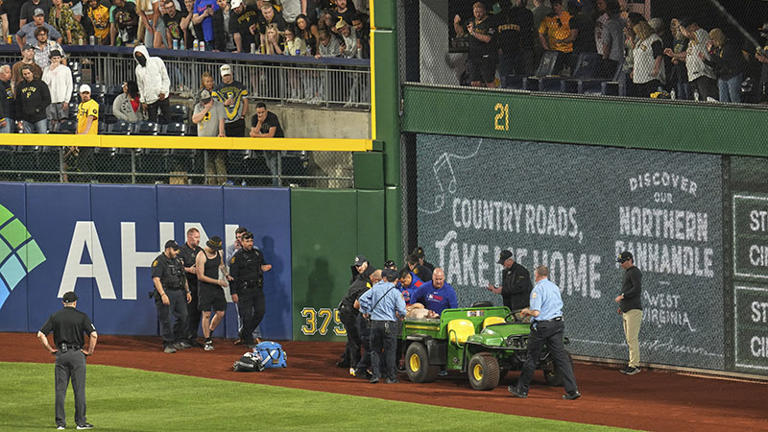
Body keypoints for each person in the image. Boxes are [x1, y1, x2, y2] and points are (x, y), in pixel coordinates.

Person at [508, 265, 580, 400]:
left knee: (531, 358)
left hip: (542, 327)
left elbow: (536, 312)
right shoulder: (554, 287)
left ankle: (521, 389)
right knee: (561, 358)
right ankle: (572, 390)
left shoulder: (538, 289)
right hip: (558, 324)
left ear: (537, 275)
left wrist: (526, 311)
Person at [37, 291, 97, 430]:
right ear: (75, 302)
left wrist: (50, 349)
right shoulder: (82, 316)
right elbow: (94, 335)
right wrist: (90, 351)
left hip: (61, 355)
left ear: (63, 302)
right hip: (77, 355)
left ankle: (60, 423)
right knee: (79, 390)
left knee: (60, 390)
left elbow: (40, 334)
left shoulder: (55, 316)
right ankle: (81, 423)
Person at [358, 268, 406, 384]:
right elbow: (401, 310)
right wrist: (401, 315)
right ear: (395, 280)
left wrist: (366, 310)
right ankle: (391, 377)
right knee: (390, 351)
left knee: (375, 350)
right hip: (389, 323)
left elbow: (362, 299)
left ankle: (375, 376)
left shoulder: (375, 288)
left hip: (375, 323)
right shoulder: (395, 292)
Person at [229, 231, 272, 347]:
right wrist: (233, 293)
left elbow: (262, 265)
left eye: (251, 241)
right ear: (242, 242)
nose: (250, 243)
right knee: (246, 316)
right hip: (244, 290)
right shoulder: (237, 257)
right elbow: (232, 277)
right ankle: (248, 340)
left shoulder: (257, 253)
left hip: (257, 289)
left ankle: (244, 333)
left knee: (260, 312)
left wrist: (265, 267)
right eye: (247, 241)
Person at [151, 240, 192, 353]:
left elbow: (183, 277)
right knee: (166, 319)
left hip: (178, 292)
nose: (176, 252)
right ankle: (168, 343)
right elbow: (156, 279)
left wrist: (187, 291)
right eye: (174, 250)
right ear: (168, 249)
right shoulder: (159, 261)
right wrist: (163, 294)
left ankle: (177, 340)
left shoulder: (177, 260)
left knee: (184, 316)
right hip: (166, 291)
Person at [664, 17, 717, 101]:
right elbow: (687, 55)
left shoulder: (701, 32)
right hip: (693, 74)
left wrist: (679, 26)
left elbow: (687, 34)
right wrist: (674, 55)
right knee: (697, 100)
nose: (688, 29)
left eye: (688, 27)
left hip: (703, 73)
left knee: (707, 100)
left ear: (693, 25)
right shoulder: (691, 41)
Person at [337, 255, 373, 373]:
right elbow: (356, 305)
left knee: (352, 337)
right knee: (355, 339)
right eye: (357, 266)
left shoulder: (365, 277)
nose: (358, 268)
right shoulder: (364, 282)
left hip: (348, 310)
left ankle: (347, 361)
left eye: (360, 265)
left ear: (366, 263)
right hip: (348, 311)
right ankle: (354, 366)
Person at [195, 235, 230, 351]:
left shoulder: (219, 252)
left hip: (216, 287)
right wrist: (218, 282)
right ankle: (207, 340)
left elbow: (221, 265)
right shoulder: (201, 255)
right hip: (205, 288)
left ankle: (209, 332)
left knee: (220, 312)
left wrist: (226, 274)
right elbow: (200, 276)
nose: (215, 250)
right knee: (206, 314)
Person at [453, 1, 496, 88]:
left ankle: (495, 96)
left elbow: (487, 39)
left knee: (489, 82)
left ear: (484, 11)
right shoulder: (471, 21)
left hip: (486, 56)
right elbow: (460, 33)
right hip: (473, 56)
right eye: (476, 12)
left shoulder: (490, 22)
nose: (478, 14)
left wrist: (473, 33)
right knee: (474, 83)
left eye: (480, 12)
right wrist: (456, 23)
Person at [615, 251, 642, 375]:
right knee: (629, 339)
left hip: (633, 310)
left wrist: (623, 296)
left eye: (623, 261)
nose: (621, 264)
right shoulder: (628, 272)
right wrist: (622, 306)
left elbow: (637, 289)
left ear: (629, 260)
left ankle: (635, 365)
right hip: (627, 310)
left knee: (632, 338)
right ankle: (632, 363)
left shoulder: (635, 272)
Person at [192, 88, 226, 184]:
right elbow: (195, 120)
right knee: (208, 163)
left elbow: (221, 120)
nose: (205, 103)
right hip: (203, 140)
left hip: (215, 139)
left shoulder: (218, 105)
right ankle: (211, 184)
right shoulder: (198, 107)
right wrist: (206, 109)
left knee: (219, 161)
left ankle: (222, 183)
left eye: (207, 101)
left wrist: (221, 132)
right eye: (204, 101)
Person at [702, 28, 745, 103]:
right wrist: (705, 61)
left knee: (734, 98)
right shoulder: (718, 49)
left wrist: (711, 53)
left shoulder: (729, 46)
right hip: (723, 75)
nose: (711, 42)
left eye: (712, 39)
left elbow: (723, 62)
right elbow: (716, 64)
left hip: (732, 75)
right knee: (723, 99)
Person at [179, 227, 203, 345]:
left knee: (197, 312)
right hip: (186, 286)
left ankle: (192, 337)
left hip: (198, 286)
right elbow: (178, 267)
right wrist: (189, 269)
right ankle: (183, 338)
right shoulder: (181, 251)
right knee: (187, 313)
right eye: (196, 237)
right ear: (189, 237)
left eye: (199, 237)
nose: (198, 240)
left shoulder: (200, 250)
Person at [133, 44, 170, 122]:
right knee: (152, 122)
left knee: (167, 120)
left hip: (162, 97)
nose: (139, 57)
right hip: (150, 100)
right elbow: (141, 87)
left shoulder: (157, 61)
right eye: (137, 55)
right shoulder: (138, 69)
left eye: (140, 54)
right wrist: (143, 101)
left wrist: (163, 91)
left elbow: (165, 78)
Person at [249, 101, 284, 184]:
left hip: (277, 143)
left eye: (262, 112)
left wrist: (257, 135)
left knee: (274, 164)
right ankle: (274, 182)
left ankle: (276, 185)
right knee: (269, 164)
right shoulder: (255, 118)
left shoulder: (272, 117)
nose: (260, 115)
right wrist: (260, 122)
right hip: (265, 144)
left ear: (266, 111)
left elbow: (271, 135)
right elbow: (253, 133)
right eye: (259, 113)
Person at [629, 20, 664, 97]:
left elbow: (659, 55)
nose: (638, 34)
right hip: (639, 76)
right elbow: (637, 56)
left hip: (649, 76)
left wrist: (656, 68)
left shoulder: (654, 39)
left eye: (638, 32)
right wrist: (634, 70)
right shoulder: (640, 41)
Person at [538, 0, 574, 74]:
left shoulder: (568, 16)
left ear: (561, 5)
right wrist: (546, 48)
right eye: (553, 6)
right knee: (554, 72)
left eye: (556, 5)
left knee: (568, 72)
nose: (554, 8)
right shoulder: (548, 18)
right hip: (554, 51)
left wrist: (565, 40)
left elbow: (573, 32)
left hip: (568, 50)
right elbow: (541, 33)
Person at [213, 63, 248, 137]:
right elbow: (214, 105)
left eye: (228, 75)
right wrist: (224, 104)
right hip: (224, 122)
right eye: (225, 75)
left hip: (238, 120)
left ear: (232, 73)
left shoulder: (240, 86)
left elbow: (245, 101)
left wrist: (243, 115)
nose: (226, 77)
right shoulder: (216, 89)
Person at [41, 49, 70, 132]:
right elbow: (44, 83)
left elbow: (69, 85)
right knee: (52, 121)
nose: (56, 60)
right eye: (54, 58)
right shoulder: (46, 70)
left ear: (60, 58)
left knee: (63, 120)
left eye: (58, 58)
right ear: (50, 59)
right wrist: (50, 71)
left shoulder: (66, 69)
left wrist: (67, 100)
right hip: (50, 100)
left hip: (62, 99)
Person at [15, 64, 49, 133]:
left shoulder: (41, 84)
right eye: (25, 74)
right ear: (22, 75)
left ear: (32, 73)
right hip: (26, 118)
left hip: (40, 117)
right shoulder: (20, 85)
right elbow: (18, 103)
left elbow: (47, 99)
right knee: (27, 139)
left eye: (28, 73)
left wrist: (38, 109)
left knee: (43, 138)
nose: (27, 76)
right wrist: (19, 119)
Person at [0, 64, 14, 133]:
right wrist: (1, 118)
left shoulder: (8, 84)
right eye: (7, 72)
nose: (10, 74)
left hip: (10, 115)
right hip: (4, 117)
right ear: (1, 74)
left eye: (10, 72)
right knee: (5, 137)